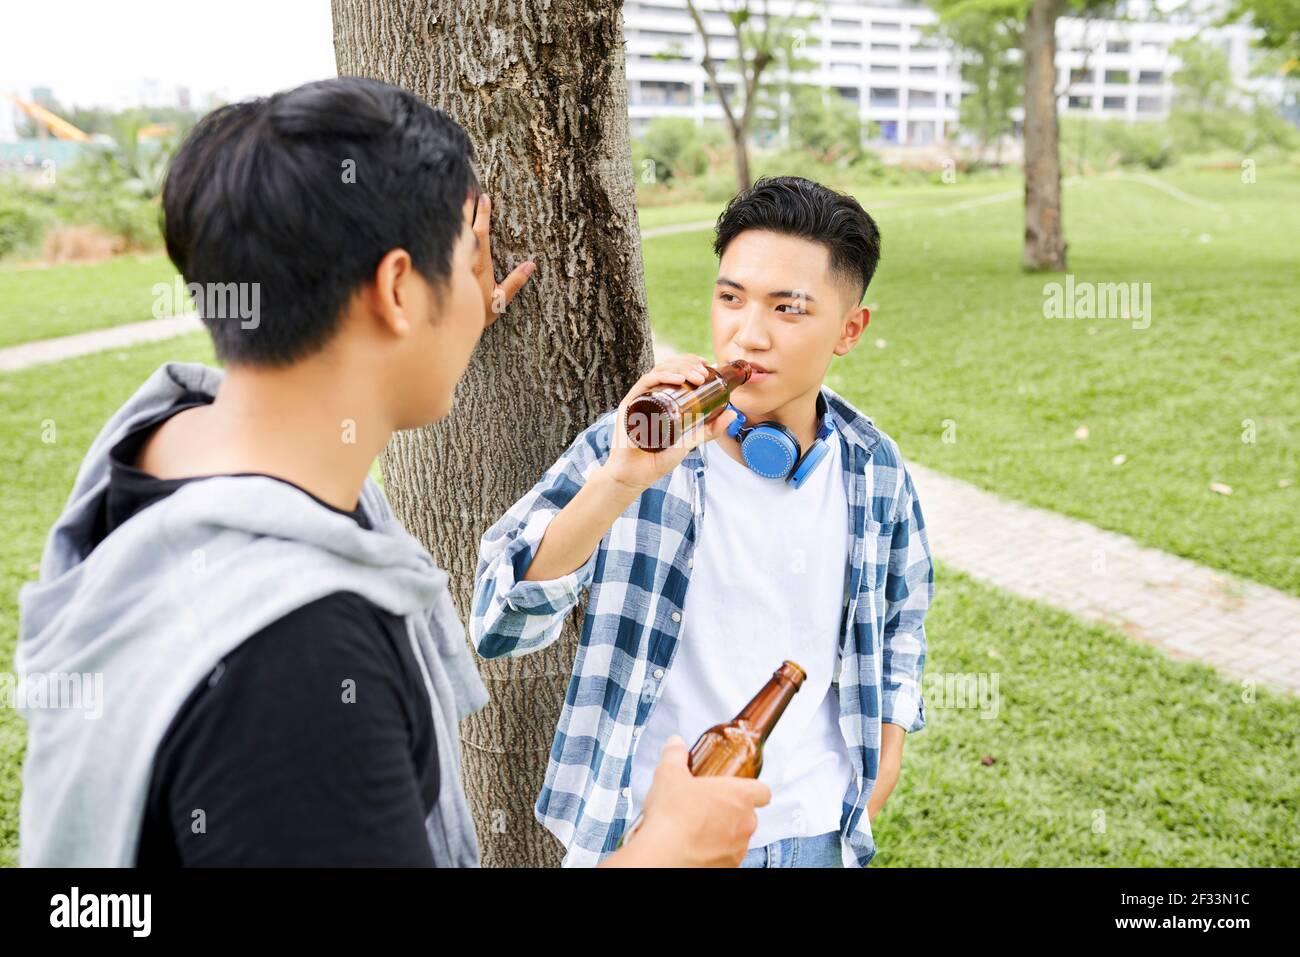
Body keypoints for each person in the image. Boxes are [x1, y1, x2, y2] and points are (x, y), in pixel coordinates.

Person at [15, 76, 769, 867]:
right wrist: (666, 851)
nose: (486, 290)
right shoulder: (298, 663)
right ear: (397, 289)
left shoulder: (166, 444)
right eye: (473, 259)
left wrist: (437, 324)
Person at [472, 176, 935, 867]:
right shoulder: (630, 445)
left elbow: (901, 625)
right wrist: (619, 480)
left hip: (815, 834)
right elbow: (500, 623)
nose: (750, 334)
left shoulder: (875, 467)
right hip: (650, 838)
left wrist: (877, 778)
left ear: (849, 330)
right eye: (731, 298)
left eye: (790, 309)